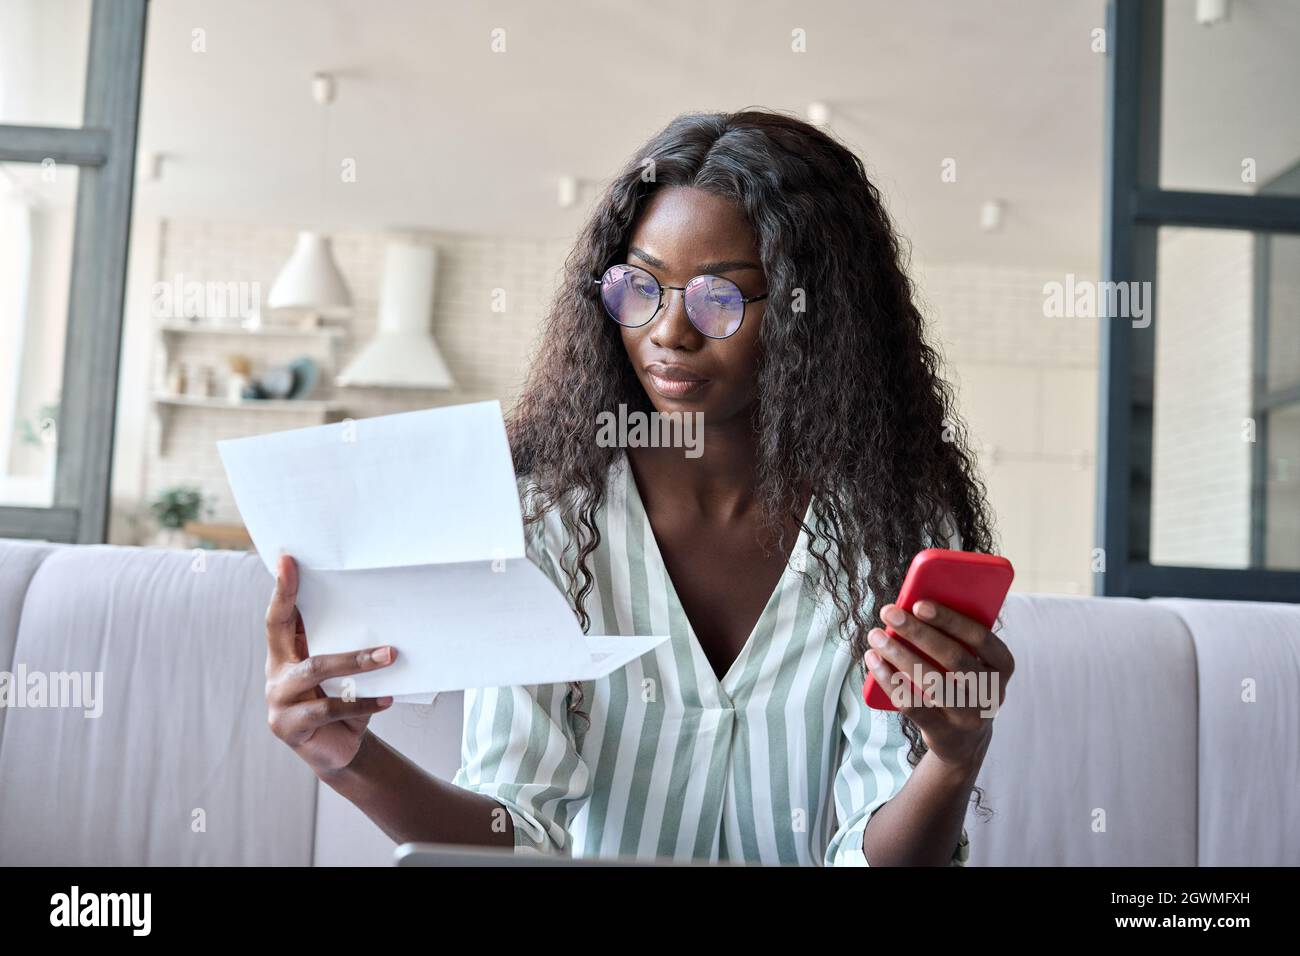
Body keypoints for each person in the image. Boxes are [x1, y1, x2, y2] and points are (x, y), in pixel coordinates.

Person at [264, 109, 1014, 865]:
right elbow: (515, 832)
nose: (668, 331)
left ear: (815, 316)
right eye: (640, 286)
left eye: (720, 298)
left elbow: (873, 851)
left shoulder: (891, 530)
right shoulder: (546, 522)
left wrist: (953, 758)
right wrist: (350, 760)